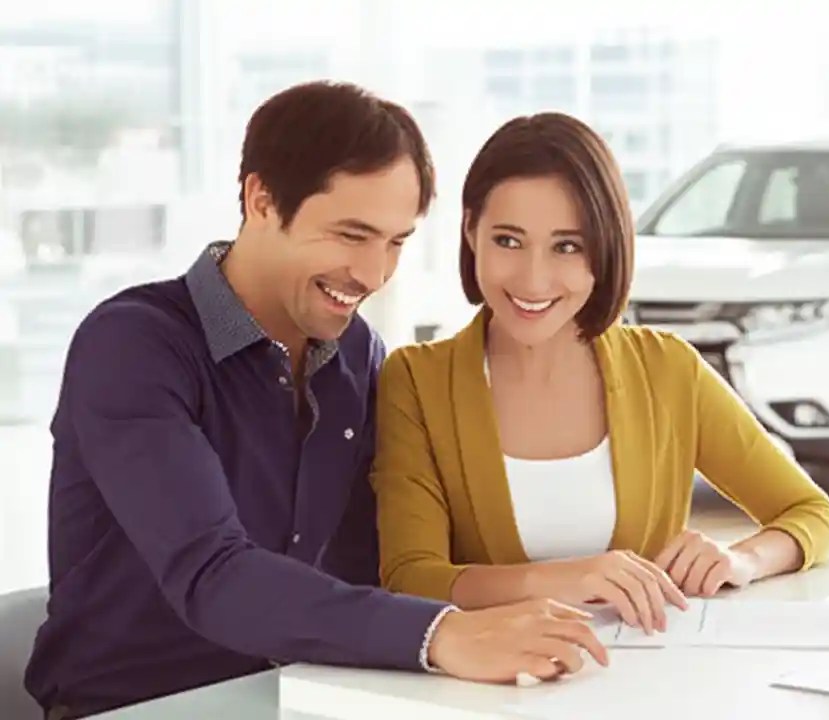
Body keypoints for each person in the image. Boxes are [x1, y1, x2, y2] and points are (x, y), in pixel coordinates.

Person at [24, 82, 606, 720]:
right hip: (137, 705)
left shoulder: (358, 356)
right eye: (351, 234)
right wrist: (441, 634)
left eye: (396, 242)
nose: (374, 273)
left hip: (307, 696)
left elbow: (389, 558)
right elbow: (213, 575)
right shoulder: (133, 344)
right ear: (262, 200)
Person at [370, 112, 829, 632]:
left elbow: (811, 514)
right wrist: (558, 580)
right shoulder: (415, 380)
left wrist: (741, 560)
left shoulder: (667, 370)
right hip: (491, 695)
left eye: (567, 246)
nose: (534, 277)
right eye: (508, 240)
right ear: (470, 230)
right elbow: (411, 576)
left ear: (606, 245)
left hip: (641, 684)